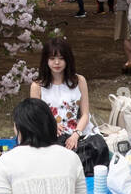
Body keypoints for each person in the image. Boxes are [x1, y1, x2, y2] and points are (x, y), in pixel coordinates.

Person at [29, 37, 109, 175]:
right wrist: (50, 125)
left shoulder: (79, 81)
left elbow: (85, 114)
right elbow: (35, 117)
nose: (57, 62)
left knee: (98, 147)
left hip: (77, 132)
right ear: (46, 60)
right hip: (50, 135)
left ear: (68, 59)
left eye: (61, 58)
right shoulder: (37, 86)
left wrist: (76, 134)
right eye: (52, 58)